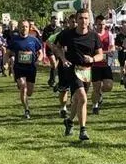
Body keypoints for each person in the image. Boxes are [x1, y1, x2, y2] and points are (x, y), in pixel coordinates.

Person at [52, 10, 102, 142]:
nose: (83, 21)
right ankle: (83, 130)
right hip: (72, 69)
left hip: (86, 71)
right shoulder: (68, 34)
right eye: (80, 18)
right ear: (77, 19)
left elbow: (100, 54)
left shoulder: (94, 36)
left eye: (86, 18)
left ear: (89, 20)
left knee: (77, 101)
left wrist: (92, 59)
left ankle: (69, 121)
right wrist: (63, 59)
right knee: (83, 98)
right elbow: (56, 47)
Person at [9, 19, 44, 119]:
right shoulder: (14, 39)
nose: (24, 28)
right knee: (23, 87)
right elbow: (8, 52)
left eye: (26, 26)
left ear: (29, 28)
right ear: (18, 27)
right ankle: (26, 110)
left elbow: (40, 53)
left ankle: (22, 88)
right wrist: (6, 63)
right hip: (19, 68)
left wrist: (38, 60)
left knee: (29, 92)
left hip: (31, 68)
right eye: (22, 26)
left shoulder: (34, 40)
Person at [90, 14, 115, 115]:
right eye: (99, 24)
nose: (101, 26)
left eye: (103, 24)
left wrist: (112, 50)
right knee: (95, 87)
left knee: (108, 86)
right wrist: (104, 53)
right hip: (95, 65)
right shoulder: (91, 35)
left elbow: (112, 47)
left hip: (106, 65)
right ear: (96, 24)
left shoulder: (109, 35)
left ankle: (100, 93)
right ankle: (95, 106)